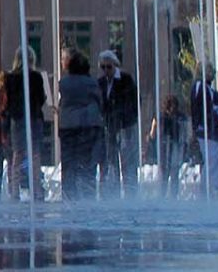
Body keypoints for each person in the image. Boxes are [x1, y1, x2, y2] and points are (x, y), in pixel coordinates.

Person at [0, 48, 47, 200]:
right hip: (35, 118)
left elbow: (8, 101)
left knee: (17, 155)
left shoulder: (10, 78)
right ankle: (36, 191)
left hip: (17, 120)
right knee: (35, 156)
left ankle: (14, 192)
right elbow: (41, 99)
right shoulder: (37, 77)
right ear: (32, 59)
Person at [55, 50, 104, 200]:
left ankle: (69, 195)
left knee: (69, 163)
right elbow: (99, 101)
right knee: (87, 162)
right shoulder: (92, 83)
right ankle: (88, 194)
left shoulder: (63, 83)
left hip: (68, 126)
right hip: (88, 124)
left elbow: (62, 102)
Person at [96, 50, 139, 197]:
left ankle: (131, 193)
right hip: (109, 127)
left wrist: (124, 117)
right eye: (103, 67)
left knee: (127, 161)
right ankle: (112, 193)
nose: (106, 70)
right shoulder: (101, 83)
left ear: (115, 65)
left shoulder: (125, 79)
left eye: (109, 67)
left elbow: (133, 101)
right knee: (111, 161)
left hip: (125, 126)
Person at [190, 64, 218, 195]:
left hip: (216, 133)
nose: (214, 73)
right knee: (213, 163)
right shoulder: (201, 87)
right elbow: (200, 109)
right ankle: (210, 192)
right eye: (210, 71)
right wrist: (201, 127)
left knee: (217, 163)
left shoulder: (206, 88)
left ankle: (214, 191)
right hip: (210, 133)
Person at [148, 94, 187, 197]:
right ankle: (165, 196)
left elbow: (152, 134)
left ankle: (168, 196)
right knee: (167, 175)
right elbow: (152, 133)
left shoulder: (163, 117)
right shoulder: (162, 117)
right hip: (166, 148)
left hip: (171, 148)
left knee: (170, 175)